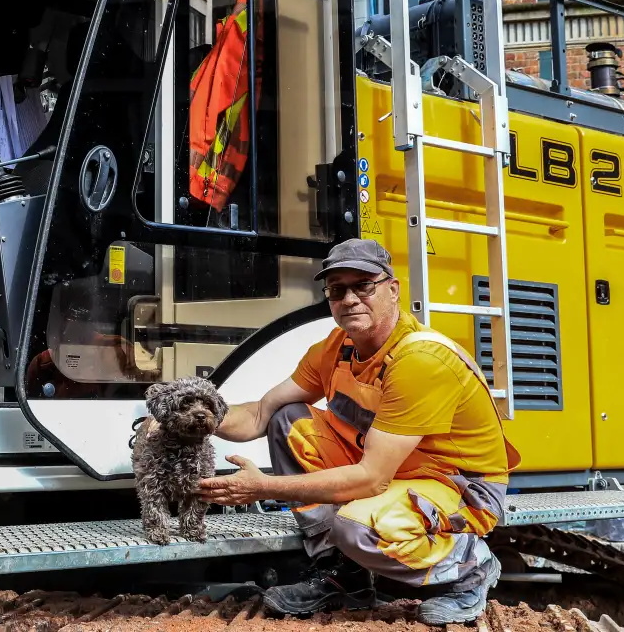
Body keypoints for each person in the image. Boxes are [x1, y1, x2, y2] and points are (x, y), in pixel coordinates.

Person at [196, 238, 521, 625]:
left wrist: (262, 487)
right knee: (288, 419)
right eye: (337, 290)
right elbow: (260, 414)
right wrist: (188, 418)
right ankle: (341, 574)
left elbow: (370, 479)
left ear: (393, 289)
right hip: (392, 471)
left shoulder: (419, 360)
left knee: (356, 528)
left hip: (458, 486)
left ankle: (471, 567)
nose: (349, 299)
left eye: (363, 285)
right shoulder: (336, 347)